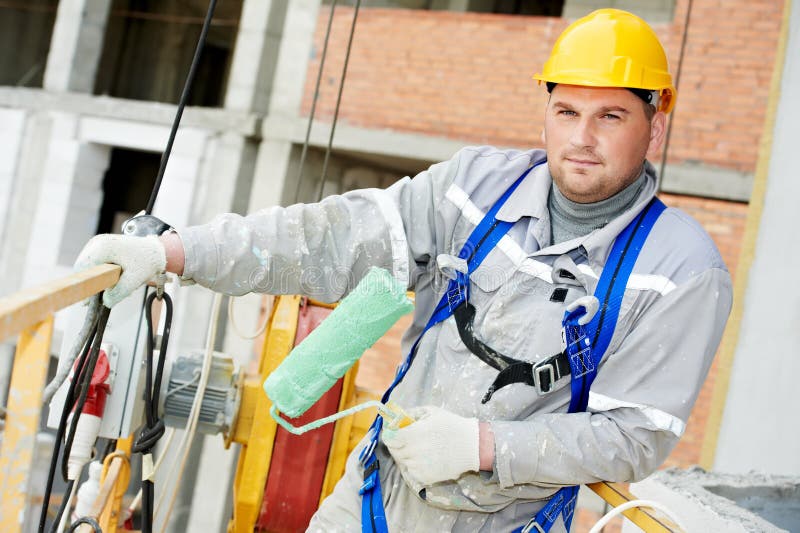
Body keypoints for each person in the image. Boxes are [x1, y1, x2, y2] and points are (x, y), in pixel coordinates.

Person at [76, 9, 732, 532]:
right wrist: (175, 252)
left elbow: (632, 437)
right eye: (567, 112)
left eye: (610, 116)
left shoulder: (679, 270)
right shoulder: (477, 187)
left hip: (502, 523)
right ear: (547, 112)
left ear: (657, 124)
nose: (582, 137)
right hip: (371, 495)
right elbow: (331, 238)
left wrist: (483, 446)